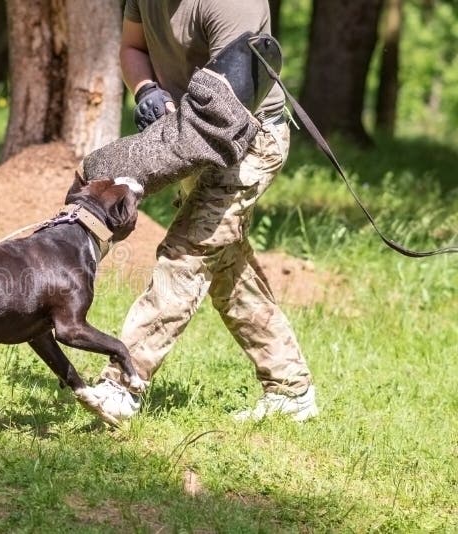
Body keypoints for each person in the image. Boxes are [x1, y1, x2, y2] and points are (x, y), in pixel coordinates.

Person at [87, 0, 319, 423]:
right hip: (190, 135)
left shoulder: (232, 3)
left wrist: (139, 164)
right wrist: (147, 91)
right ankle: (291, 389)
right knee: (227, 264)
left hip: (248, 138)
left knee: (188, 252)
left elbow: (223, 113)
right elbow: (132, 48)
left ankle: (123, 384)